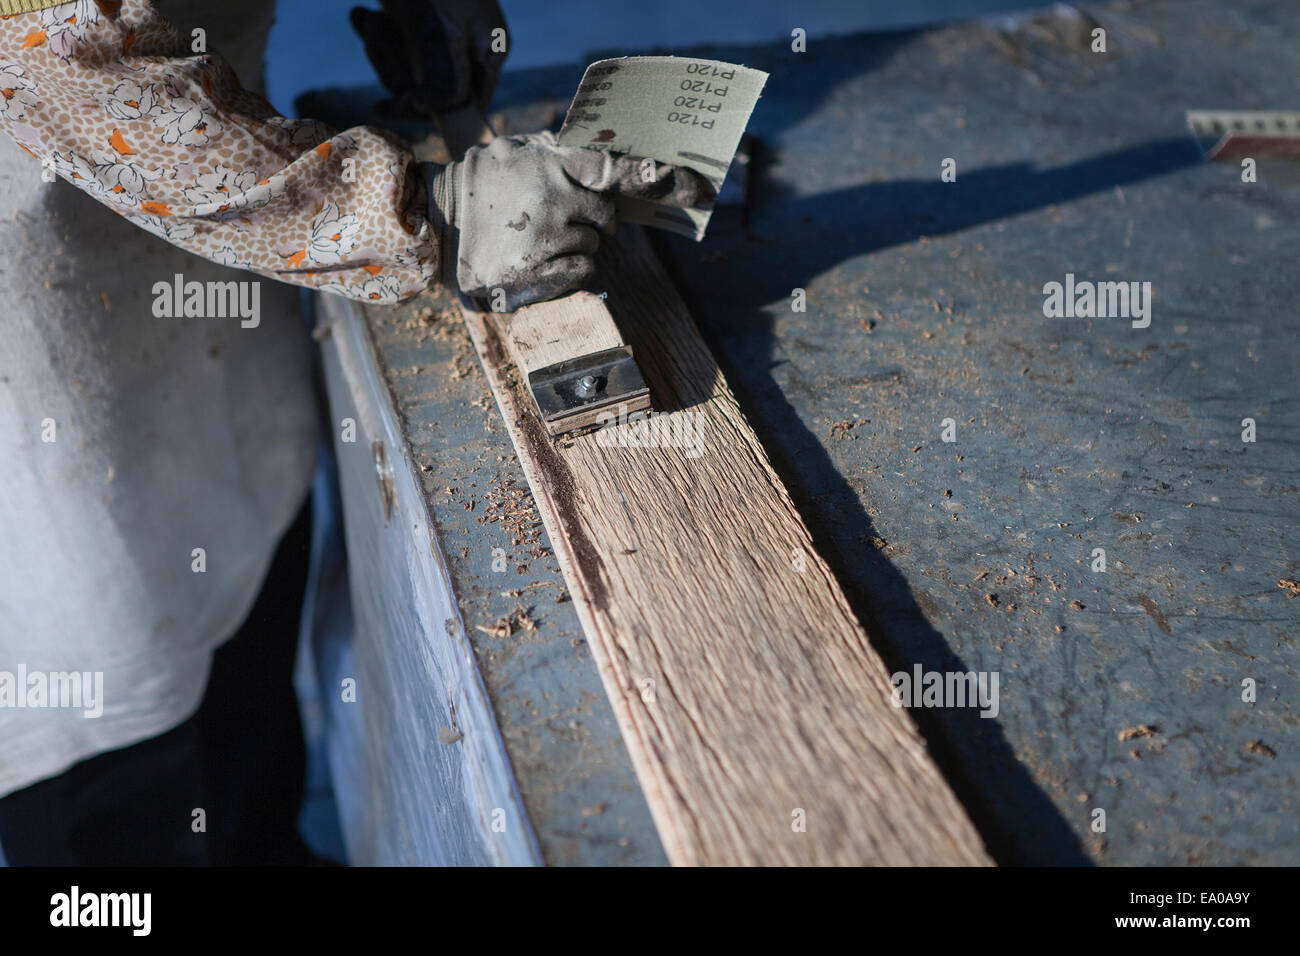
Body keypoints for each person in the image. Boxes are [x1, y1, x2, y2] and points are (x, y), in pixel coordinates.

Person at [0, 0, 709, 865]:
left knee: (244, 664)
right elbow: (63, 62)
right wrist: (414, 211)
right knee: (120, 754)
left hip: (211, 282)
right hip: (43, 327)